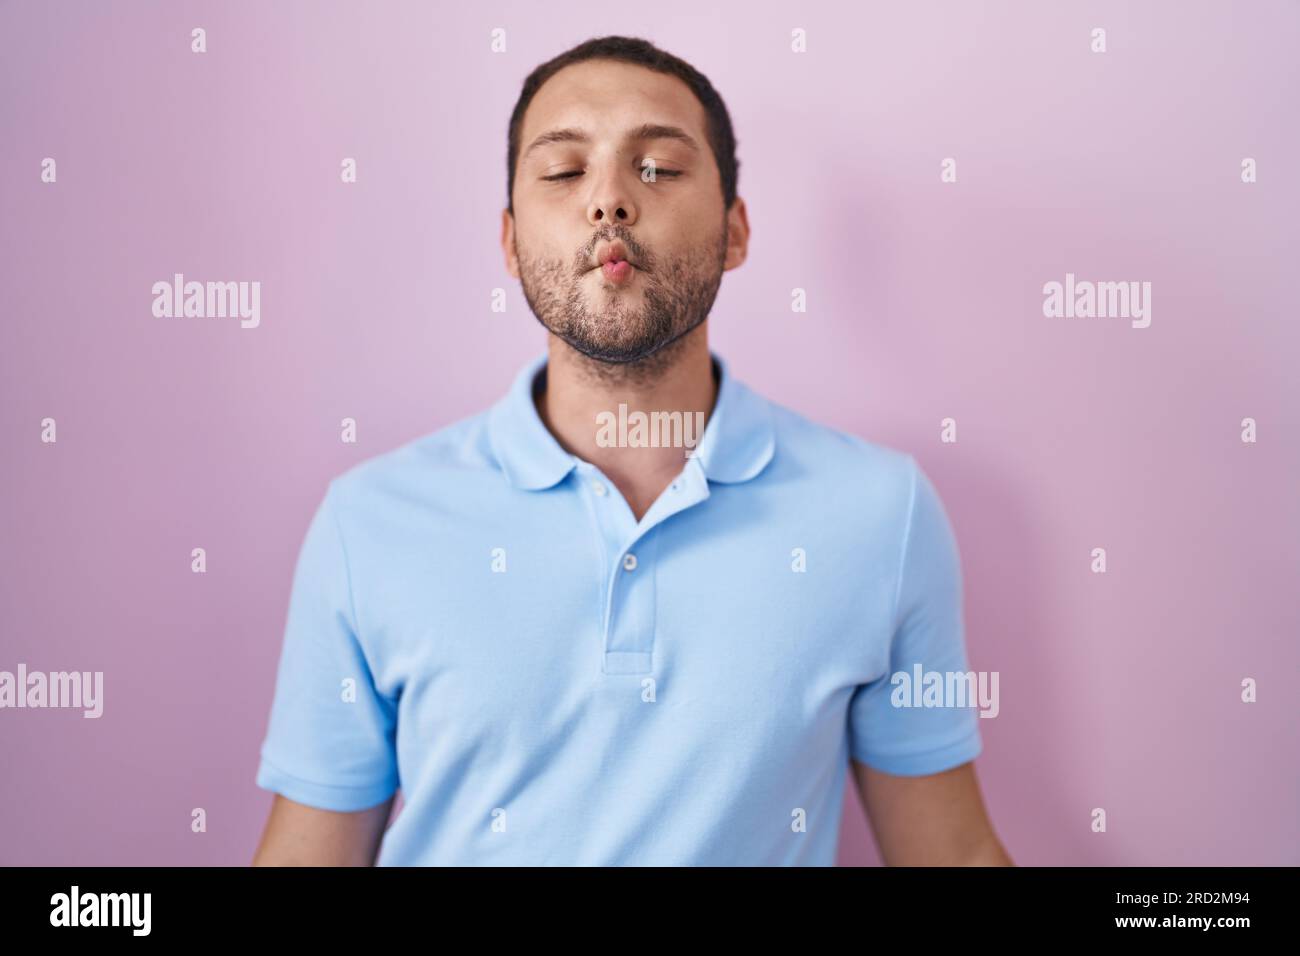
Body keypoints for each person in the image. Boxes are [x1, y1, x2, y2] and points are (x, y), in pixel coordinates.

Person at [252, 35, 1012, 867]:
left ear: (734, 232)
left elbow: (952, 855)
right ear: (509, 243)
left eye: (658, 167)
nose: (610, 200)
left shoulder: (879, 512)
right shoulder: (369, 523)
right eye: (563, 171)